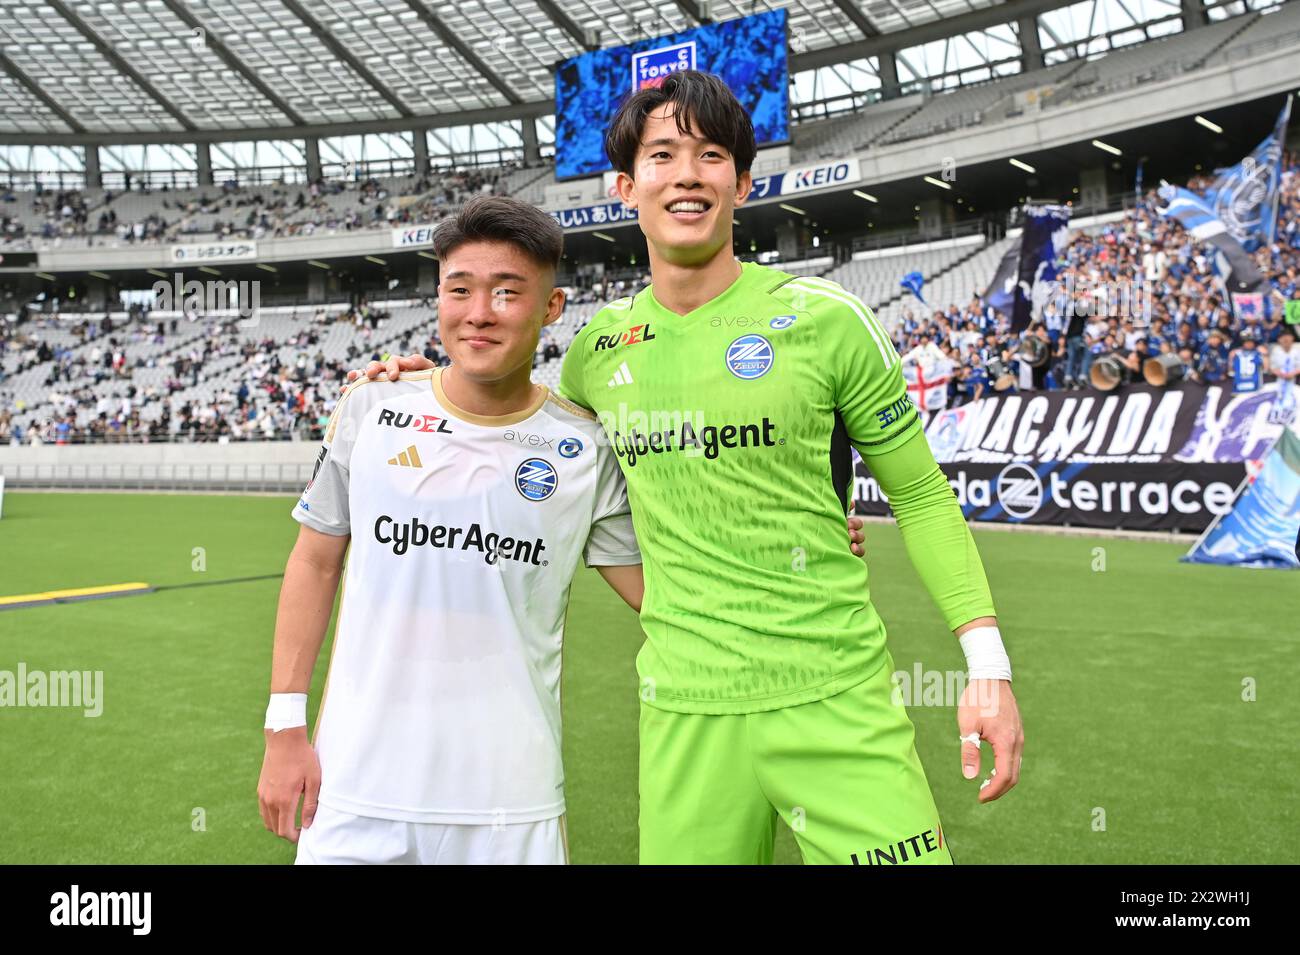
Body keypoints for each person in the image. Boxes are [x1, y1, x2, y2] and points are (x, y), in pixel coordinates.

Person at [356, 71, 1022, 865]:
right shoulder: (598, 356)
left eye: (710, 155)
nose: (686, 173)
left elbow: (919, 492)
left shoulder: (827, 322)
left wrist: (987, 666)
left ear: (740, 183)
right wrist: (424, 387)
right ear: (624, 185)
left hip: (838, 695)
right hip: (684, 710)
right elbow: (513, 441)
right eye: (663, 154)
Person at [257, 197, 645, 864]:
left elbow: (659, 592)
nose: (478, 312)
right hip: (354, 791)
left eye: (506, 292)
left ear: (551, 309)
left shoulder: (584, 445)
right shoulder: (372, 406)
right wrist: (284, 726)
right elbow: (315, 562)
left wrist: (797, 544)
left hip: (508, 804)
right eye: (459, 290)